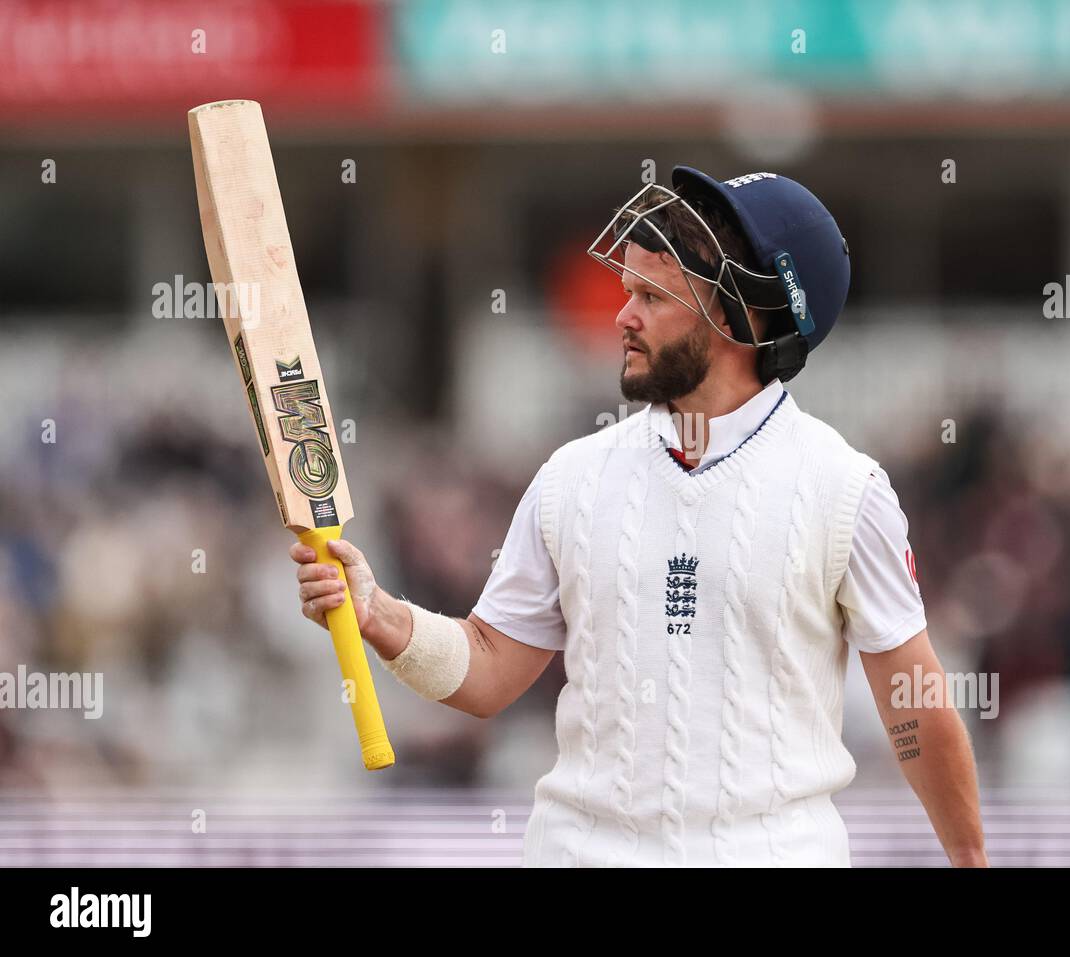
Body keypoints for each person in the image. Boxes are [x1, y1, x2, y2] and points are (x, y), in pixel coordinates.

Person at [291, 166, 987, 867]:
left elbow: (913, 708)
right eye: (629, 291)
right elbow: (489, 670)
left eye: (650, 296)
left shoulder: (845, 489)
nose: (621, 317)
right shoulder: (573, 477)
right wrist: (379, 612)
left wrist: (970, 862)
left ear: (739, 316)